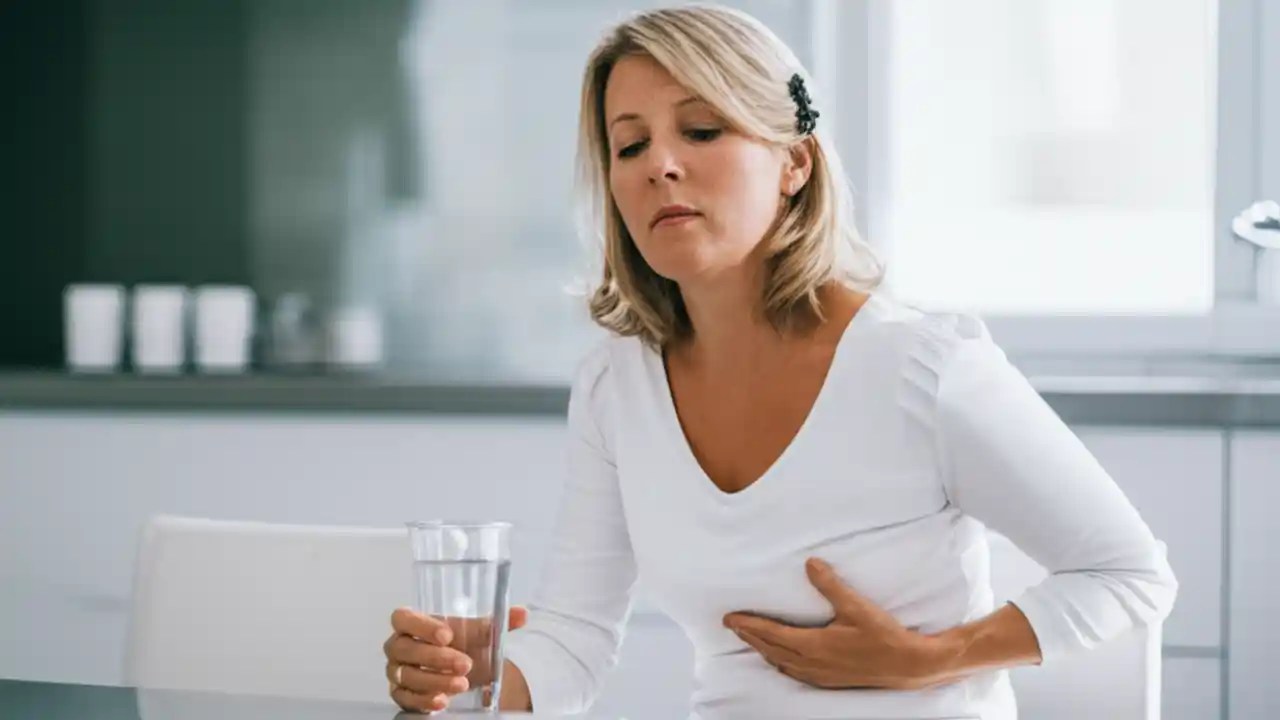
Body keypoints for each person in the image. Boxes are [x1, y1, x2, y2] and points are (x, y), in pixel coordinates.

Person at [382, 4, 1177, 718]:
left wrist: (926, 661)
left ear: (795, 164)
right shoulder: (614, 385)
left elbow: (1130, 574)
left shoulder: (922, 367)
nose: (660, 164)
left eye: (701, 131)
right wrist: (465, 682)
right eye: (630, 144)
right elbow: (574, 639)